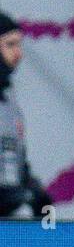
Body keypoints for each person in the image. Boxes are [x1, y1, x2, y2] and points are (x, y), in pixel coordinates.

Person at [0, 12, 53, 219]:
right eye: (10, 45)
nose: (18, 53)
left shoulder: (8, 99)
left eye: (19, 45)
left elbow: (14, 157)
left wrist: (32, 189)